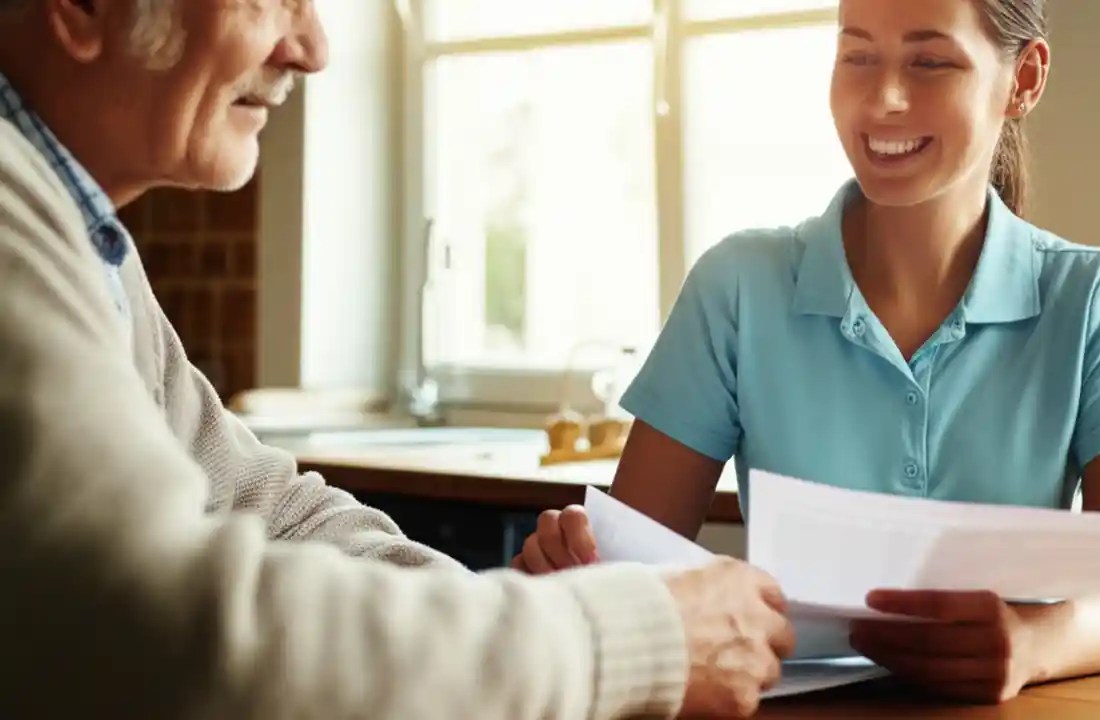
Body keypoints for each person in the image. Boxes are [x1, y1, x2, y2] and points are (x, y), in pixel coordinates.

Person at [0, 1, 797, 717]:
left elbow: (267, 508)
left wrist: (489, 623)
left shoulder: (84, 239)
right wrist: (634, 642)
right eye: (275, 1)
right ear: (81, 8)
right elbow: (166, 635)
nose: (311, 50)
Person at [516, 0, 1100, 704]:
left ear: (1024, 78)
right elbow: (632, 570)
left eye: (930, 61)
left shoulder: (1095, 298)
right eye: (857, 55)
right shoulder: (738, 286)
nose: (884, 99)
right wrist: (581, 575)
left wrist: (1034, 642)